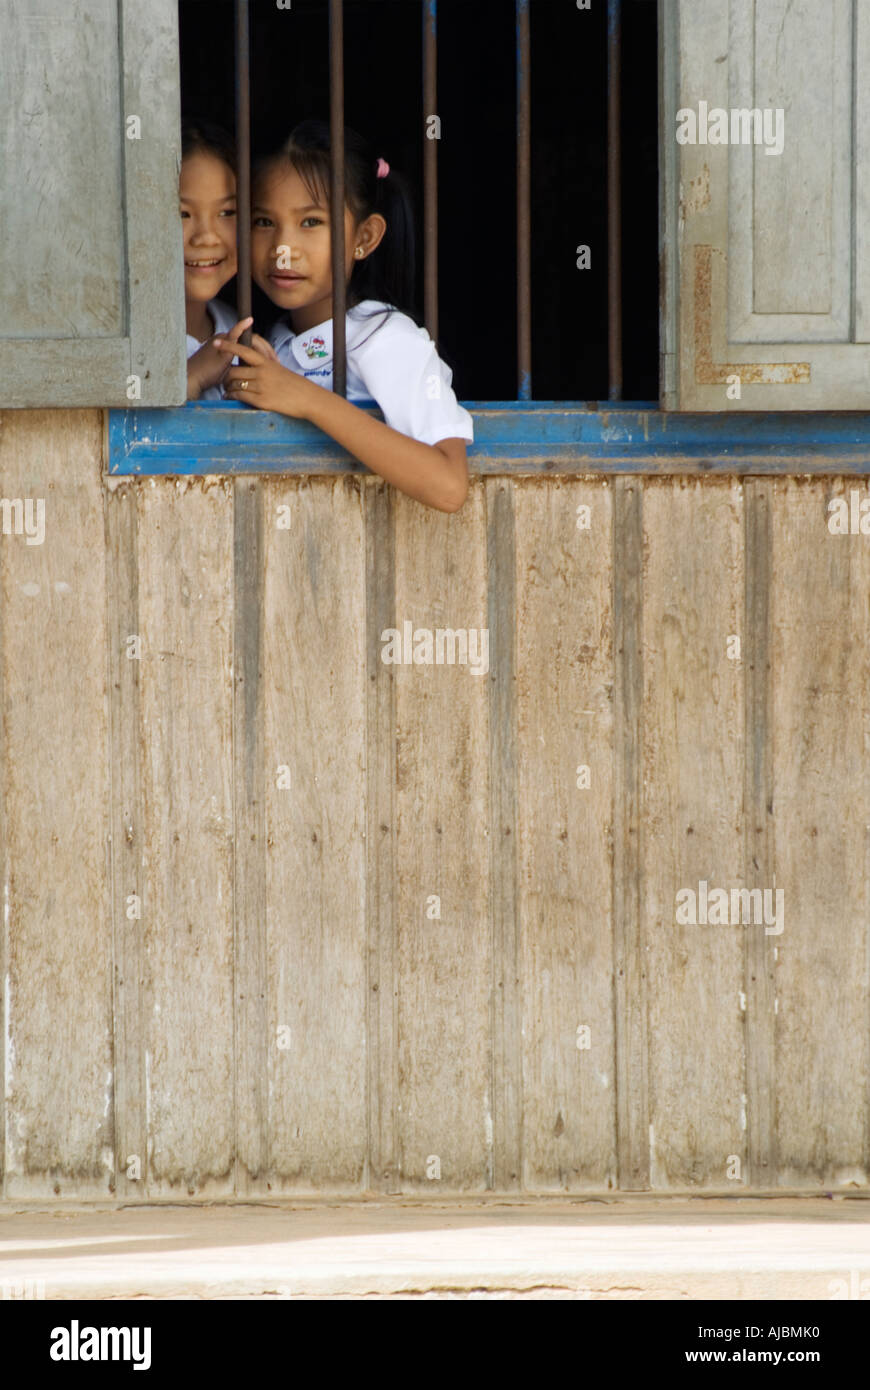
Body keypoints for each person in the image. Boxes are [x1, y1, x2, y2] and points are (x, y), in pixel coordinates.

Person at [215, 120, 472, 512]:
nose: (283, 248)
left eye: (311, 222)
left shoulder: (384, 338)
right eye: (264, 222)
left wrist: (307, 400)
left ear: (364, 238)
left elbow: (449, 486)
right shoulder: (270, 340)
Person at [180, 118, 257, 400]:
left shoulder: (242, 329)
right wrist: (192, 377)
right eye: (182, 214)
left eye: (227, 213)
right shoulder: (118, 342)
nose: (206, 238)